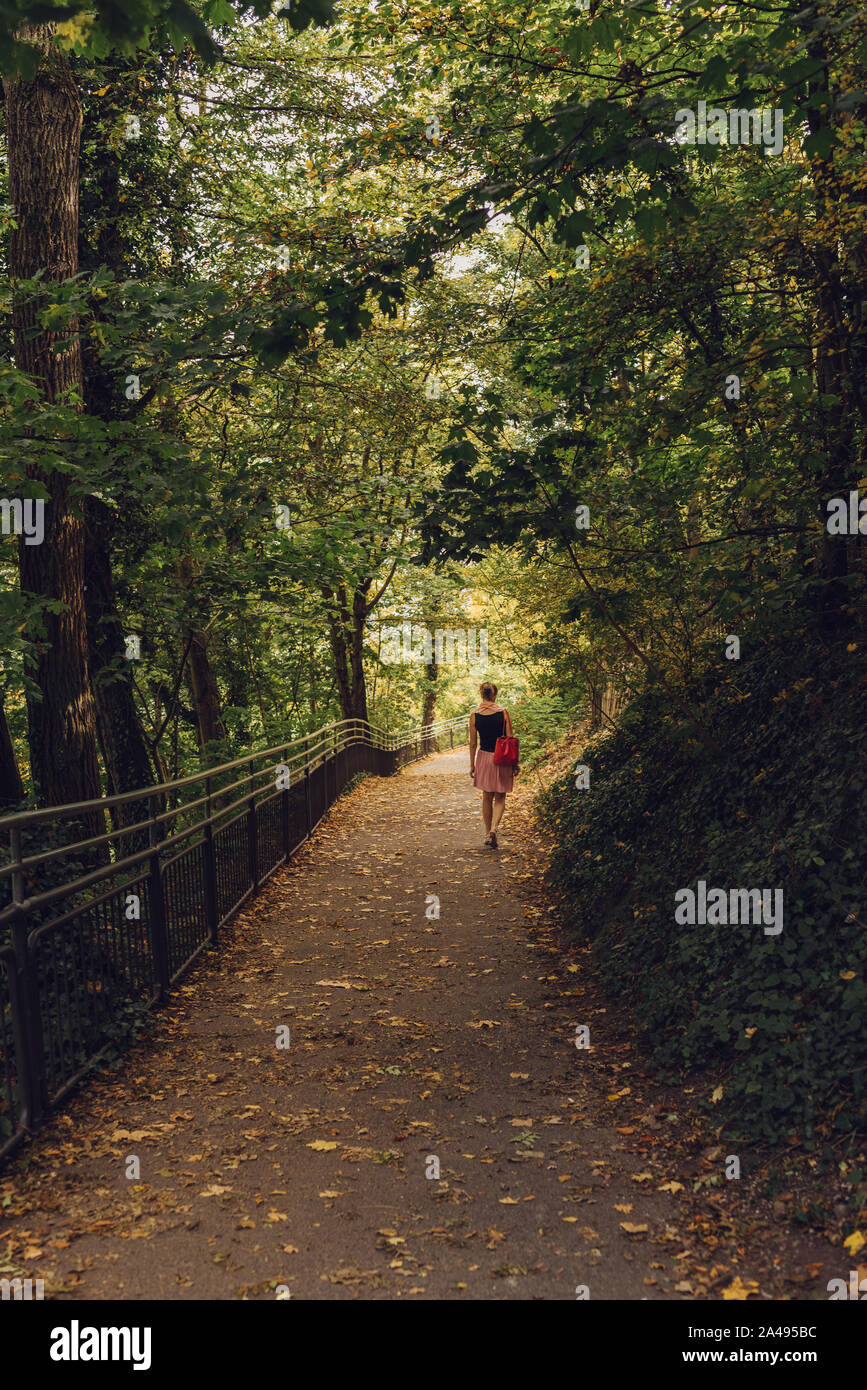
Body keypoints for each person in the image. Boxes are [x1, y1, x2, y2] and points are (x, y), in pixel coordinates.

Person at [469, 681, 518, 848]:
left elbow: (473, 743)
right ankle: (494, 830)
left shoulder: (475, 715)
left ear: (482, 695)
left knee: (486, 796)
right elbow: (510, 739)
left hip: (484, 757)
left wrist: (472, 765)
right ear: (495, 695)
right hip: (502, 758)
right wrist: (515, 763)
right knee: (500, 796)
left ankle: (487, 832)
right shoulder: (503, 713)